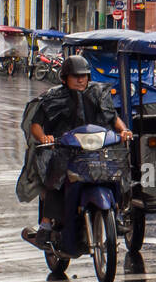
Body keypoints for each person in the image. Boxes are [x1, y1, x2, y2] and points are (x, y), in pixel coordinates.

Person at [23, 55, 133, 252]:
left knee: (115, 174)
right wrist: (44, 138)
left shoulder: (98, 93)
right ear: (65, 78)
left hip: (97, 151)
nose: (81, 80)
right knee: (55, 181)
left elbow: (114, 118)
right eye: (76, 76)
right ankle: (46, 226)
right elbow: (36, 125)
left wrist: (123, 131)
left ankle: (116, 215)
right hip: (66, 152)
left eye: (84, 76)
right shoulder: (53, 97)